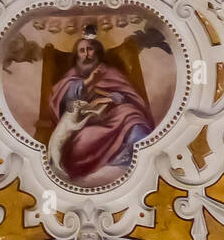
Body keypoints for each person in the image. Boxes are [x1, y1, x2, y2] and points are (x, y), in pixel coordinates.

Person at [47, 36, 154, 181]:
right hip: (86, 122)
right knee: (81, 145)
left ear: (96, 52)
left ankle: (135, 159)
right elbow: (62, 99)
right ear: (76, 55)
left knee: (132, 115)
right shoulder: (72, 76)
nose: (86, 54)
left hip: (114, 114)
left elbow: (127, 94)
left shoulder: (109, 72)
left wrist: (113, 98)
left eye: (90, 49)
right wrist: (87, 83)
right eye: (82, 50)